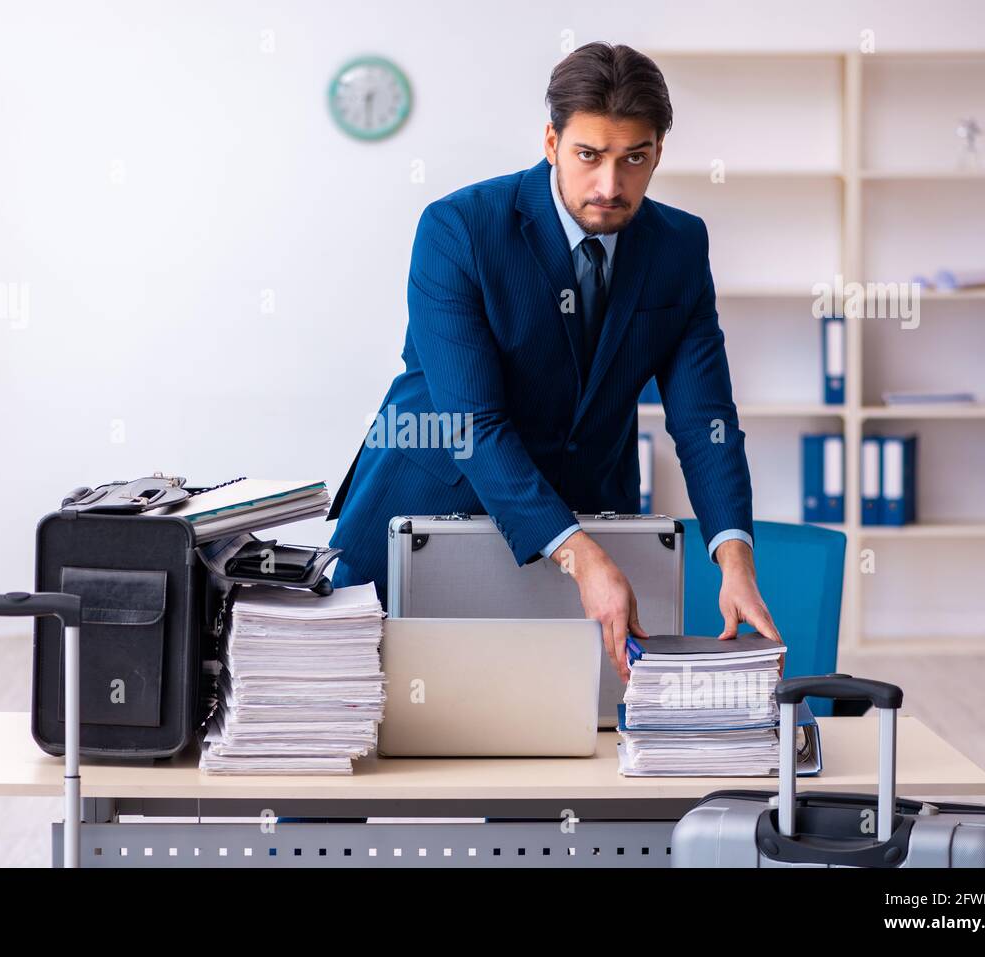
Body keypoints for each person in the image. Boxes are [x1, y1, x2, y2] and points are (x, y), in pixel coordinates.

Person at [327, 42, 781, 680]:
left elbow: (705, 419)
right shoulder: (459, 228)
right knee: (392, 728)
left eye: (635, 160)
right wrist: (578, 555)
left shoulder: (679, 245)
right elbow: (471, 423)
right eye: (589, 155)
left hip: (589, 509)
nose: (610, 186)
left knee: (578, 729)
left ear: (658, 154)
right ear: (551, 142)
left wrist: (735, 560)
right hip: (428, 509)